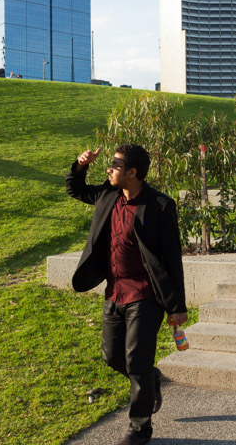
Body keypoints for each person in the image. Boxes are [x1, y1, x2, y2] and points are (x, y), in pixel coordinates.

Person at [66, 144, 187, 445]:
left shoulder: (159, 206)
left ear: (132, 172)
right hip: (114, 292)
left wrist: (177, 306)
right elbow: (74, 188)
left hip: (145, 296)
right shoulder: (107, 195)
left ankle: (139, 429)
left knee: (136, 362)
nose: (109, 169)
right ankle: (151, 378)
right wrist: (80, 165)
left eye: (115, 165)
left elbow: (173, 258)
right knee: (112, 356)